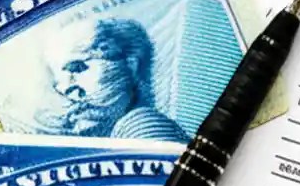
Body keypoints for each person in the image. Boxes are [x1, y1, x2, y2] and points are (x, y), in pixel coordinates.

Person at [42, 18, 189, 143]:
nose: (65, 89)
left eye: (78, 68)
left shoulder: (141, 125)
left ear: (131, 65)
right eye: (57, 82)